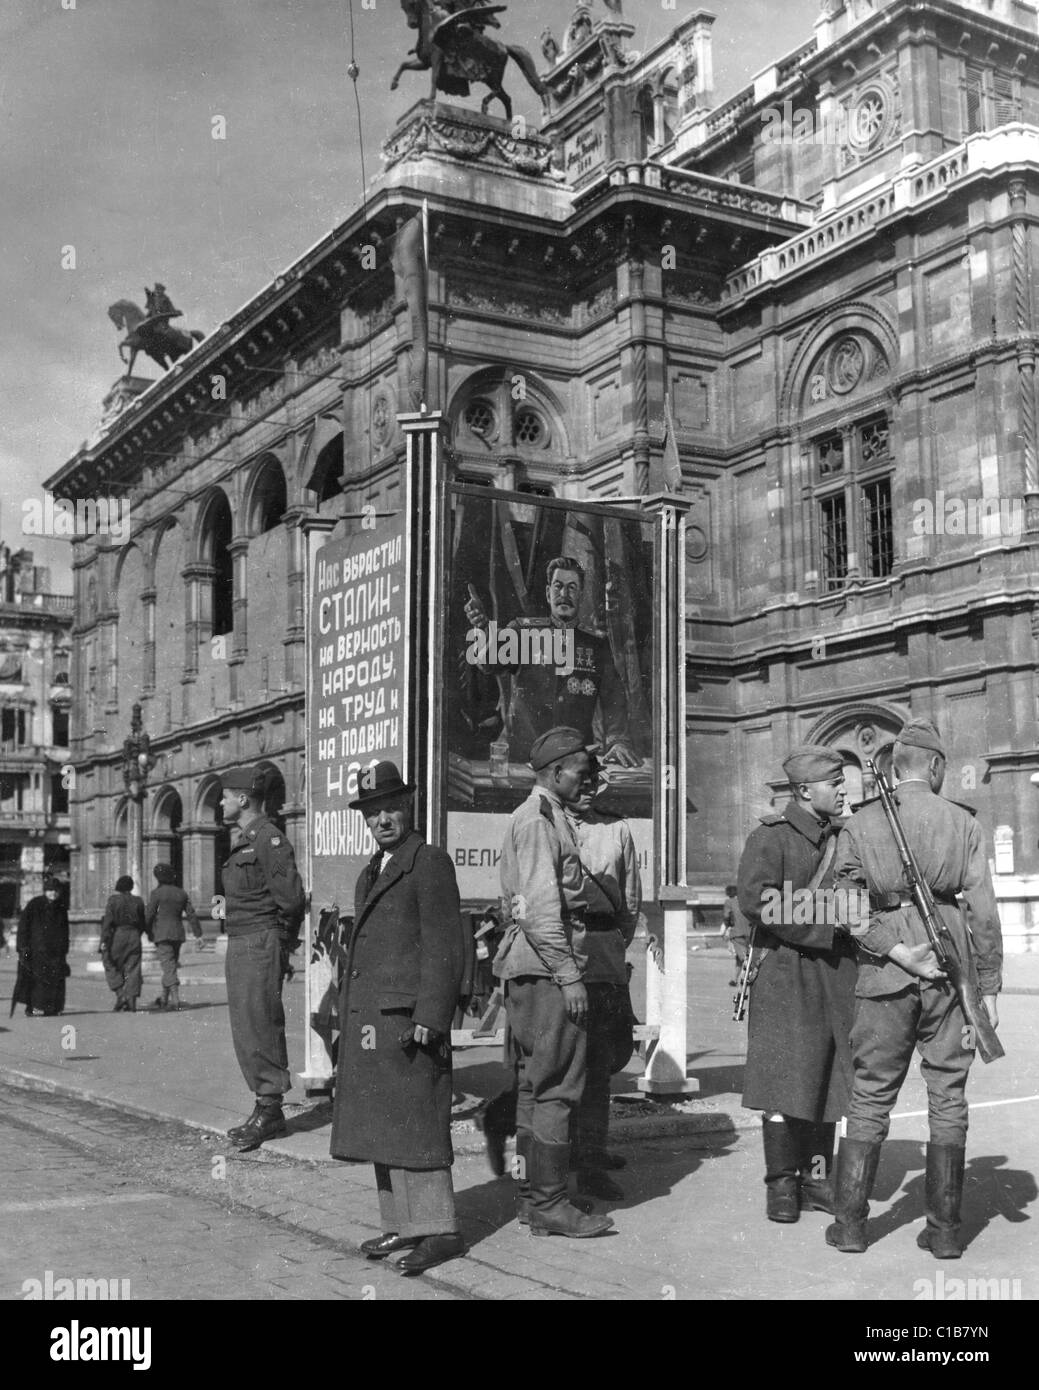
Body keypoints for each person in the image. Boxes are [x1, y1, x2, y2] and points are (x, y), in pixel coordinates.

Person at [825, 719, 1003, 1258]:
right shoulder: (962, 821)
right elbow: (983, 910)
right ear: (933, 766)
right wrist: (988, 980)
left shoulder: (860, 824)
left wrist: (896, 950)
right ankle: (946, 1233)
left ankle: (852, 1225)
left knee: (871, 1091)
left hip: (885, 970)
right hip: (952, 963)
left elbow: (843, 906)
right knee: (948, 1091)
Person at [330, 761, 467, 1276]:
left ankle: (440, 1230)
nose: (382, 819)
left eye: (389, 807)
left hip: (410, 1019)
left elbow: (444, 945)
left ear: (407, 806)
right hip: (376, 1020)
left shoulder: (427, 862)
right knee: (383, 1123)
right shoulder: (375, 868)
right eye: (371, 812)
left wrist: (432, 1013)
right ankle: (402, 1224)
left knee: (418, 1122)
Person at [495, 726, 616, 1238]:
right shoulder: (541, 821)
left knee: (532, 1087)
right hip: (548, 969)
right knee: (559, 1090)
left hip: (526, 967)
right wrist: (570, 977)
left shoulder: (536, 817)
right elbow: (543, 910)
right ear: (557, 772)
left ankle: (532, 1198)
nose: (588, 780)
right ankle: (549, 1204)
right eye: (582, 773)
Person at [736, 745, 857, 1223]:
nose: (843, 789)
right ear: (806, 791)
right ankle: (781, 1186)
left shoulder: (844, 837)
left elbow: (859, 902)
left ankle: (816, 1179)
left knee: (826, 1078)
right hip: (786, 971)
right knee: (783, 1079)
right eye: (834, 783)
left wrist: (852, 916)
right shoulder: (771, 838)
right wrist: (832, 920)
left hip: (835, 973)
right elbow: (757, 901)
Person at [463, 556, 639, 767]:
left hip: (575, 763)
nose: (564, 595)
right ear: (548, 593)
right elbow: (488, 664)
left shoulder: (596, 644)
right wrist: (482, 627)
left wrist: (618, 741)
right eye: (558, 587)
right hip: (524, 758)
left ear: (581, 595)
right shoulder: (522, 632)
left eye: (572, 588)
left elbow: (614, 698)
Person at [564, 759, 642, 1200]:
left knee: (600, 1063)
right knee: (564, 1062)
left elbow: (629, 900)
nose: (589, 789)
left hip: (603, 953)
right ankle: (568, 1151)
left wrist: (609, 942)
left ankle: (592, 1157)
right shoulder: (545, 826)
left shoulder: (617, 830)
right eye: (582, 781)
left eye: (596, 781)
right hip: (559, 951)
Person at [220, 765, 306, 1152]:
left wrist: (281, 946)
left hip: (259, 940)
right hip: (241, 940)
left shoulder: (269, 840)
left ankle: (270, 1108)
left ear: (242, 799)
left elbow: (290, 899)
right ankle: (267, 1106)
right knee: (245, 1025)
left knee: (259, 1022)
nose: (220, 802)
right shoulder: (243, 840)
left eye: (225, 796)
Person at [145, 863, 203, 1011]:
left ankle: (175, 1000)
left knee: (168, 967)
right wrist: (198, 935)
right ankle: (164, 998)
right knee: (170, 966)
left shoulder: (156, 894)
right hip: (178, 934)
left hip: (162, 935)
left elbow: (149, 915)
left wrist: (147, 932)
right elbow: (191, 914)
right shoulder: (181, 893)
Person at [15, 877, 70, 1017]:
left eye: (56, 891)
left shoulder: (61, 906)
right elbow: (24, 926)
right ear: (45, 891)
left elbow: (65, 929)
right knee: (36, 980)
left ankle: (53, 1007)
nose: (53, 894)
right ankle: (33, 1006)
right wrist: (22, 947)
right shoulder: (35, 904)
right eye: (50, 890)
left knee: (55, 979)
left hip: (55, 951)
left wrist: (64, 948)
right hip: (36, 949)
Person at [100, 875, 148, 1013]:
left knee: (109, 962)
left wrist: (104, 940)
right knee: (133, 968)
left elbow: (107, 923)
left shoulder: (113, 900)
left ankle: (120, 994)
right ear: (131, 887)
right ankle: (132, 1000)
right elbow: (142, 923)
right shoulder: (138, 901)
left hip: (118, 935)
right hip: (134, 936)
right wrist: (136, 934)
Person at [723, 884, 751, 986]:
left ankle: (749, 977)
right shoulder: (745, 901)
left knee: (743, 957)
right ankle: (735, 979)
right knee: (740, 958)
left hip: (737, 933)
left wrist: (727, 926)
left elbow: (726, 916)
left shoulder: (729, 902)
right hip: (749, 932)